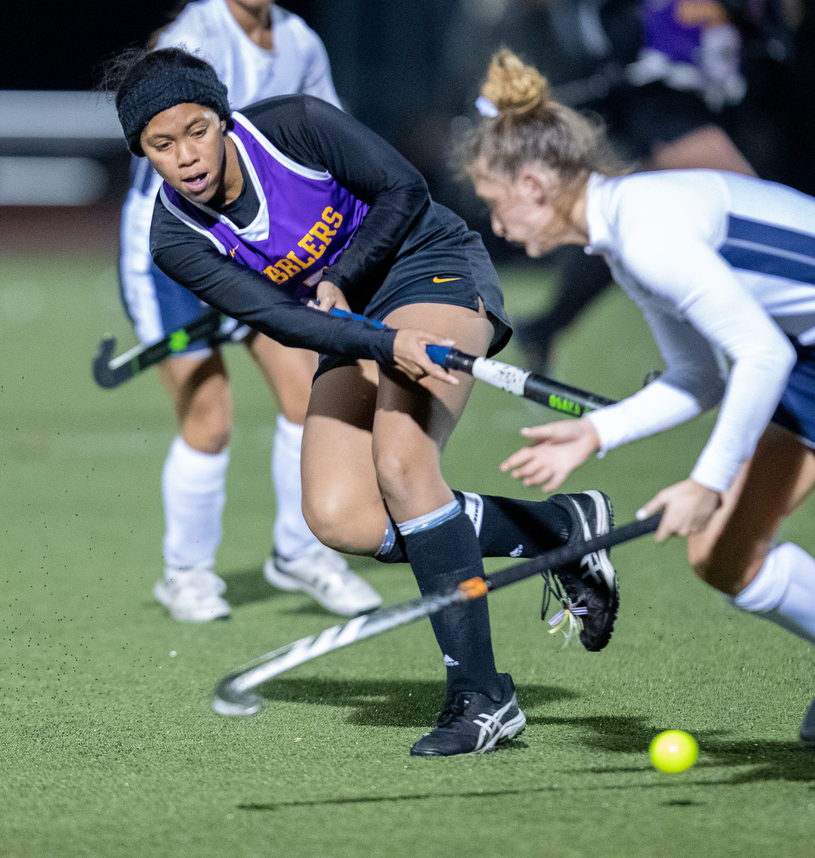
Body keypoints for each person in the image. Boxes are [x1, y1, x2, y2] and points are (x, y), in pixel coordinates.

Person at [457, 49, 815, 800]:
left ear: (537, 184)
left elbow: (760, 354)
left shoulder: (647, 233)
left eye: (495, 201)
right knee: (723, 554)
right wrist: (598, 433)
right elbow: (702, 377)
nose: (497, 222)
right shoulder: (623, 236)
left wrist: (706, 481)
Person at [107, 47, 620, 757]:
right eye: (161, 146)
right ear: (144, 154)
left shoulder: (292, 128)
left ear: (221, 119)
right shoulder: (175, 237)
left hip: (429, 264)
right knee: (340, 514)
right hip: (347, 324)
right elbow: (283, 321)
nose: (186, 156)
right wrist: (378, 342)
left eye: (197, 130)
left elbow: (406, 188)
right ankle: (558, 530)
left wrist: (347, 278)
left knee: (403, 463)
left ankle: (482, 697)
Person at [118, 0, 380, 622]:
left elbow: (329, 143)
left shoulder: (299, 41)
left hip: (257, 247)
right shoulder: (191, 39)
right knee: (210, 418)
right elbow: (174, 151)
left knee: (307, 395)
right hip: (175, 250)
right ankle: (185, 574)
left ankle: (299, 555)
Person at [519, 0, 785, 372]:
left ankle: (545, 327)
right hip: (659, 106)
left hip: (716, 110)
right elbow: (597, 11)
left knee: (617, 229)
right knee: (747, 202)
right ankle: (766, 346)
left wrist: (750, 24)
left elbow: (776, 47)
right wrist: (616, 59)